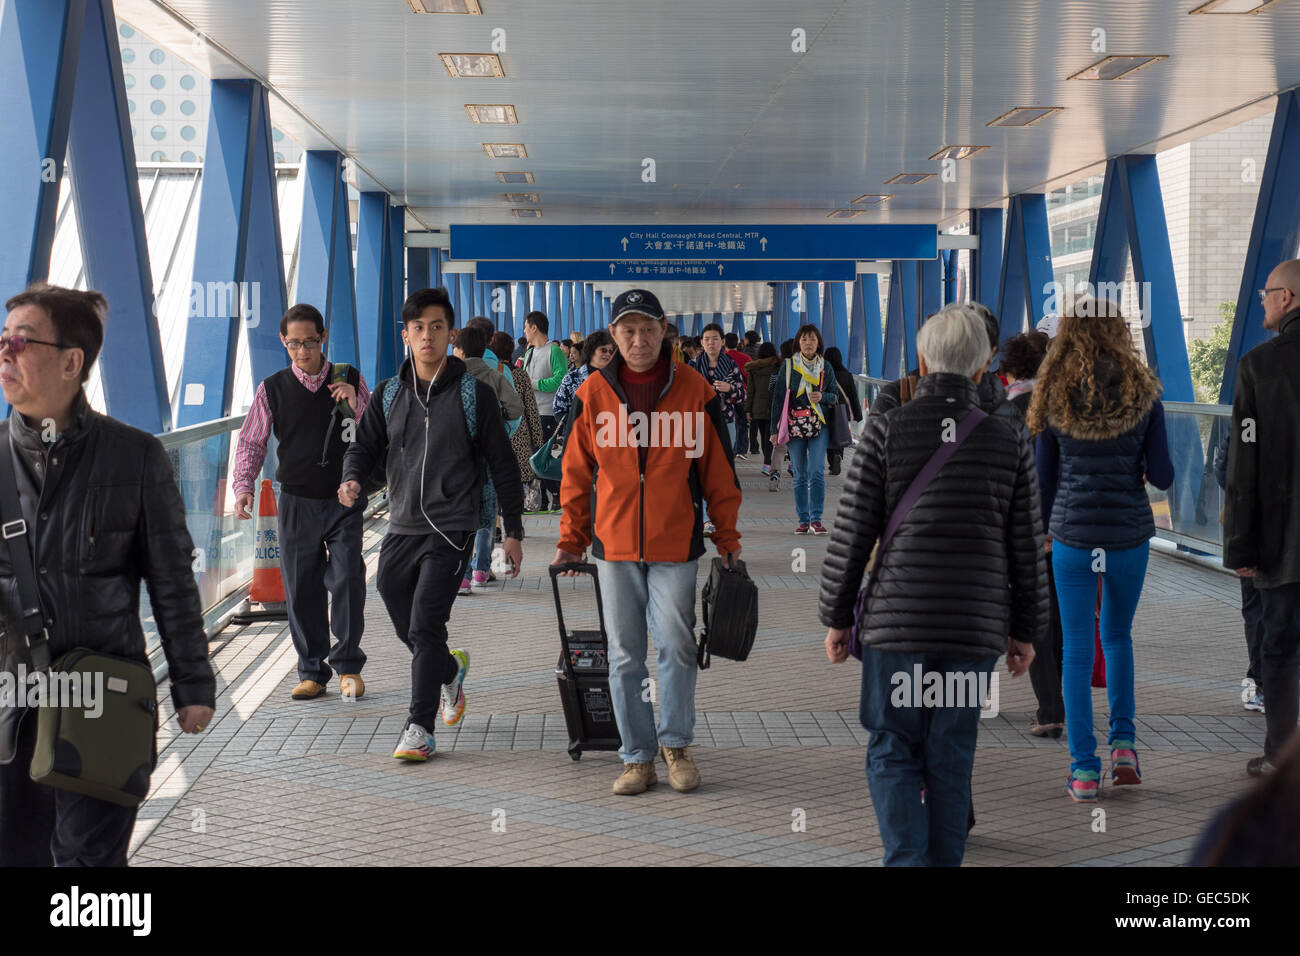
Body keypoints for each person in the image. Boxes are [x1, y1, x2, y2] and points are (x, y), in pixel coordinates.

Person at [820, 305, 1047, 867]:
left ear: (922, 360)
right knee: (950, 753)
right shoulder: (1007, 436)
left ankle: (905, 860)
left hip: (896, 630)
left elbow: (852, 532)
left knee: (894, 744)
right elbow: (1026, 543)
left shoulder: (887, 428)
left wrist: (837, 615)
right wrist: (1025, 631)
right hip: (973, 632)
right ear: (983, 366)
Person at [0, 283, 215, 866]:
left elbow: (171, 577)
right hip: (9, 702)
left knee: (89, 865)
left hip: (102, 700)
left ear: (73, 362)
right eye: (2, 340)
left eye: (22, 340)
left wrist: (192, 684)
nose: (6, 353)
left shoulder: (135, 457)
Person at [553, 289, 741, 796]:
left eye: (648, 329)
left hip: (676, 543)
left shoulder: (696, 391)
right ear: (613, 336)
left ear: (664, 332)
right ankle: (637, 756)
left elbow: (719, 471)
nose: (639, 340)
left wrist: (727, 536)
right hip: (613, 545)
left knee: (678, 644)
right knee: (624, 653)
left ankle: (676, 744)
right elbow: (575, 473)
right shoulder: (592, 393)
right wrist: (571, 539)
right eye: (628, 330)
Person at [339, 287, 524, 761]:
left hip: (452, 526)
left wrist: (515, 532)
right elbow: (363, 446)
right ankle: (447, 671)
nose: (427, 336)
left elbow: (503, 464)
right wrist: (353, 478)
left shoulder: (473, 395)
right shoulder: (388, 393)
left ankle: (419, 727)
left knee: (425, 623)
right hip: (401, 524)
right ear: (406, 335)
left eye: (437, 327)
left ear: (451, 334)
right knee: (395, 601)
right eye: (418, 328)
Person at [1028, 296, 1174, 802]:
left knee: (1074, 646)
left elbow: (1043, 484)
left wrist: (1043, 532)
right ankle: (1125, 748)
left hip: (1071, 538)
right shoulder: (1144, 394)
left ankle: (1084, 770)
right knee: (1117, 637)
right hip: (1129, 536)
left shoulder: (1054, 395)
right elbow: (1163, 476)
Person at [232, 303, 369, 701]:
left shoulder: (350, 378)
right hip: (295, 501)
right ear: (283, 342)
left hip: (344, 498)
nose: (302, 351)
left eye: (309, 342)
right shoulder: (272, 388)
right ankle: (312, 670)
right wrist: (243, 485)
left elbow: (380, 429)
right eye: (294, 344)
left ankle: (347, 666)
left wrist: (356, 405)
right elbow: (252, 440)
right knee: (302, 586)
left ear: (323, 338)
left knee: (346, 578)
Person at [1224, 258, 1300, 777]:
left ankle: (1282, 755)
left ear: (1288, 299)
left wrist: (1241, 548)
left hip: (1281, 543)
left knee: (1280, 647)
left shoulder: (1257, 367)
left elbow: (1243, 467)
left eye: (1266, 293)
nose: (1263, 301)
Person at [998, 331, 1063, 737]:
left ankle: (1050, 709)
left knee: (1035, 614)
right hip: (1071, 526)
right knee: (1062, 617)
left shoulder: (1010, 410)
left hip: (1027, 529)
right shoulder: (1065, 405)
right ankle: (1063, 704)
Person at [454, 325, 524, 593]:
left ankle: (460, 574)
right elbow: (515, 407)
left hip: (458, 454)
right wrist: (499, 421)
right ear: (484, 350)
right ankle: (481, 570)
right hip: (489, 452)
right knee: (487, 510)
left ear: (459, 349)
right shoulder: (495, 375)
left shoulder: (452, 376)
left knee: (460, 509)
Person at [1214, 425, 1265, 714]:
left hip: (1249, 529)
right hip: (1268, 533)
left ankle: (1259, 683)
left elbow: (1224, 472)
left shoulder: (1246, 417)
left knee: (1257, 610)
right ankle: (1261, 682)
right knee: (1264, 611)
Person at [769, 324, 837, 535]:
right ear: (798, 343)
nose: (808, 343)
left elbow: (835, 396)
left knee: (816, 471)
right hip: (793, 425)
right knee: (799, 473)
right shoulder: (788, 366)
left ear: (819, 344)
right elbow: (778, 400)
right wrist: (774, 430)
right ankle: (803, 520)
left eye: (813, 340)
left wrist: (823, 397)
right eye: (805, 339)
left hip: (819, 424)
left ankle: (816, 519)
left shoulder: (826, 366)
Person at [691, 323, 746, 536]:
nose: (711, 343)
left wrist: (729, 388)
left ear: (722, 342)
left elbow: (742, 396)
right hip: (699, 421)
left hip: (726, 421)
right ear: (702, 342)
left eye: (715, 338)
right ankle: (705, 519)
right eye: (707, 339)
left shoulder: (731, 365)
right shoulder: (694, 366)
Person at [493, 330, 546, 515]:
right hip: (520, 436)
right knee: (516, 481)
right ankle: (515, 521)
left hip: (497, 435)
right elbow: (531, 410)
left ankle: (498, 521)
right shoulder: (520, 375)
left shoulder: (489, 374)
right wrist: (538, 441)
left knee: (497, 480)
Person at [521, 312, 568, 513]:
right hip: (531, 413)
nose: (524, 331)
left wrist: (535, 384)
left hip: (549, 413)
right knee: (535, 457)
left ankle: (557, 496)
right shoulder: (529, 352)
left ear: (534, 327)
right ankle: (541, 500)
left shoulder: (554, 351)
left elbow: (562, 379)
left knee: (546, 457)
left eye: (525, 326)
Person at [552, 329, 615, 422]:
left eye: (611, 351)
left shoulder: (615, 378)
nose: (608, 355)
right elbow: (558, 410)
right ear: (591, 351)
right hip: (580, 434)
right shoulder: (572, 378)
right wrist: (579, 424)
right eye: (603, 350)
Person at [744, 343, 781, 488]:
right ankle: (768, 462)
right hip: (773, 405)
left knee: (764, 433)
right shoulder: (778, 367)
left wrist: (748, 409)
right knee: (771, 436)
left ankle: (766, 464)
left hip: (758, 407)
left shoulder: (754, 369)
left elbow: (750, 391)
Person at [823, 346, 862, 477]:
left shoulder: (824, 373)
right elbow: (853, 396)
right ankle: (838, 455)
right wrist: (858, 414)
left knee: (829, 434)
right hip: (842, 409)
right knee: (840, 434)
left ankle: (831, 462)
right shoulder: (847, 375)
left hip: (827, 407)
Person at [725, 332, 753, 459]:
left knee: (731, 422)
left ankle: (733, 449)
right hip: (743, 394)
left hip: (726, 396)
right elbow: (750, 378)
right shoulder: (746, 358)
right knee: (743, 423)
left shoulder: (721, 358)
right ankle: (742, 449)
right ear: (737, 343)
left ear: (724, 343)